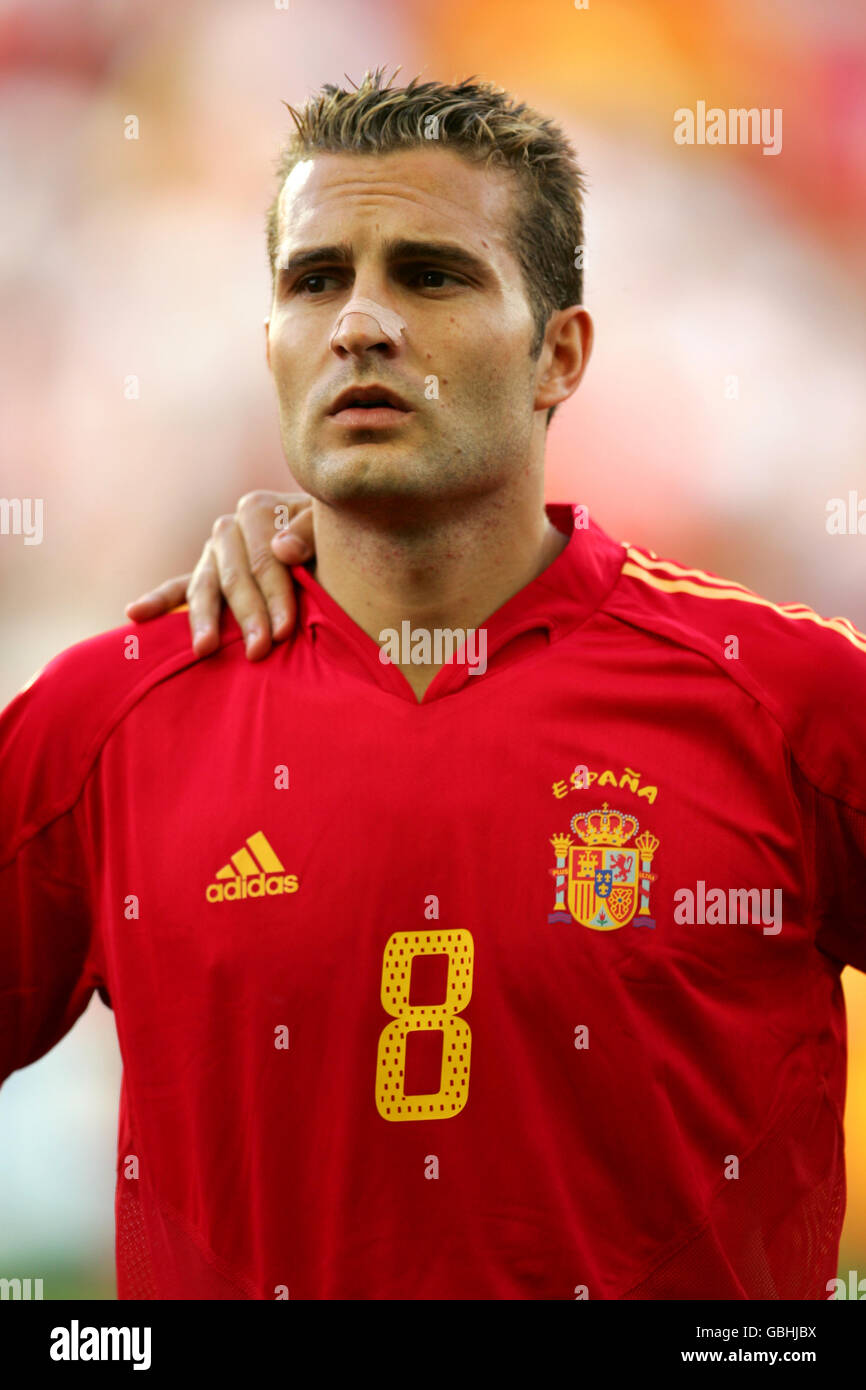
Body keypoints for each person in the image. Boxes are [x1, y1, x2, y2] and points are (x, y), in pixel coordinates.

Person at [2, 68, 864, 1302]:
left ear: (556, 354)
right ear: (271, 348)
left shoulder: (788, 704)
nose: (359, 322)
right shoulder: (111, 719)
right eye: (314, 281)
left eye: (430, 274)